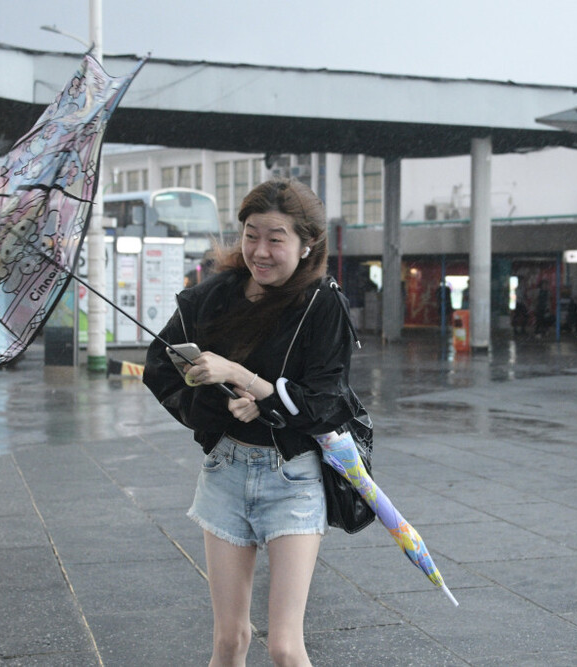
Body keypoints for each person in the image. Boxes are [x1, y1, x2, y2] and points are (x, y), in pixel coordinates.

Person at [143, 178, 361, 666]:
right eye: (250, 234)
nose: (260, 251)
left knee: (284, 646)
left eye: (276, 238)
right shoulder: (211, 297)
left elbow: (325, 403)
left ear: (307, 245)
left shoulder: (322, 304)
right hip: (225, 472)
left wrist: (252, 385)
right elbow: (161, 367)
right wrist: (219, 402)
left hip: (293, 477)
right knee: (228, 640)